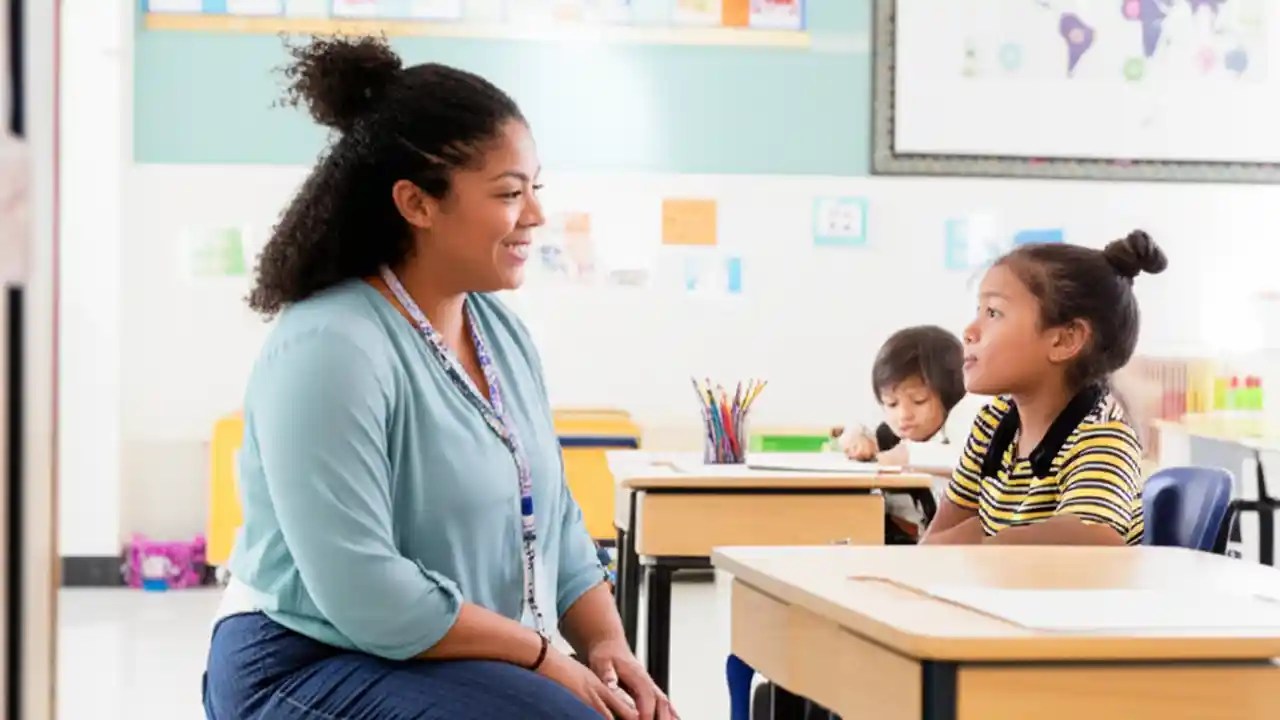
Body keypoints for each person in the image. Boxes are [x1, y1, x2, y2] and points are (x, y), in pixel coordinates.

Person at [202, 36, 674, 720]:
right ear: (417, 204)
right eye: (510, 193)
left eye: (535, 189)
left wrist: (606, 647)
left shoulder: (500, 333)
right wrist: (545, 659)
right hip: (304, 657)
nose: (536, 216)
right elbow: (365, 591)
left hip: (440, 653)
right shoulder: (331, 346)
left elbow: (558, 522)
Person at [923, 230, 1167, 546]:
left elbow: (1096, 539)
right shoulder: (993, 425)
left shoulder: (1102, 439)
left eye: (994, 313)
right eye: (978, 311)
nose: (969, 331)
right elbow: (933, 547)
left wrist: (983, 540)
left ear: (1065, 340)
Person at [839, 325, 986, 540]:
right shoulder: (889, 433)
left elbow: (970, 459)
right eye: (891, 404)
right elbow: (855, 432)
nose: (903, 415)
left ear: (950, 396)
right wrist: (856, 439)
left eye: (919, 401)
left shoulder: (964, 421)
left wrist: (909, 456)